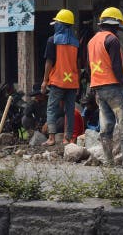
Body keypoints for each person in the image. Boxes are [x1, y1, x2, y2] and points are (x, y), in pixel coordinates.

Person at [87, 6, 123, 168]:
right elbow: (116, 67)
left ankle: (109, 161)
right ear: (114, 24)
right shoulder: (112, 40)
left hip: (99, 88)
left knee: (106, 125)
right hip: (114, 88)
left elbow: (89, 65)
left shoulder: (92, 41)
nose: (119, 29)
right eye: (118, 26)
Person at [41, 9, 80, 146]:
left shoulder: (52, 40)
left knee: (51, 108)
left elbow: (49, 62)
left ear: (60, 24)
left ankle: (51, 138)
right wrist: (78, 82)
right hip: (72, 82)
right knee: (69, 111)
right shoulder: (76, 43)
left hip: (57, 81)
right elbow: (78, 64)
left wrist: (45, 80)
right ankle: (67, 139)